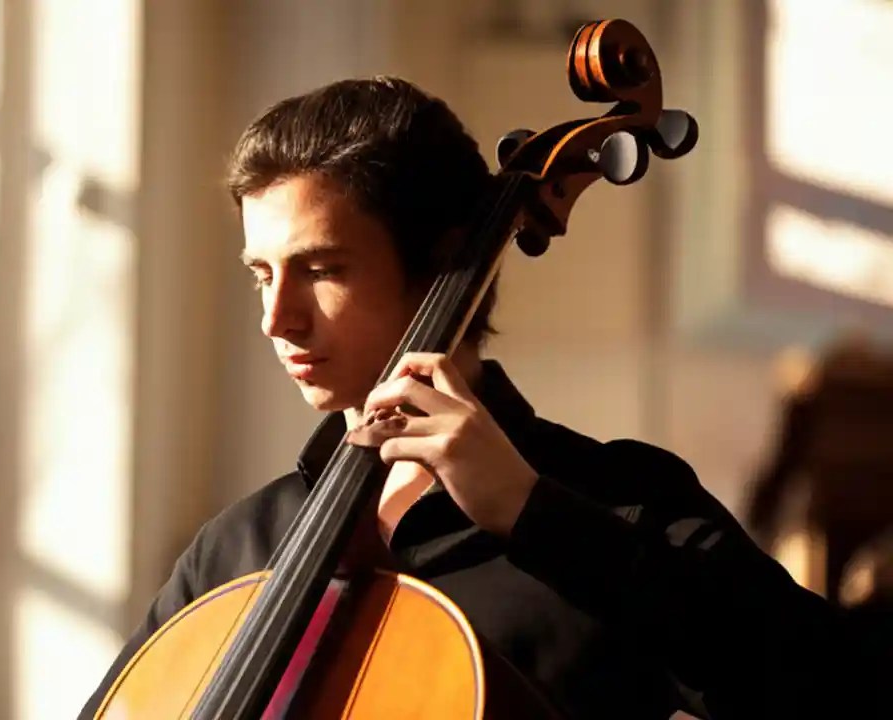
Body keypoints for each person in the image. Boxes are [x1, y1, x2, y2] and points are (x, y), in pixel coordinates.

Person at [79, 76, 879, 719]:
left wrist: (534, 515)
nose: (275, 318)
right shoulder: (238, 549)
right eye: (262, 274)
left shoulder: (623, 504)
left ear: (446, 266)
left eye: (321, 270)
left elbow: (834, 692)